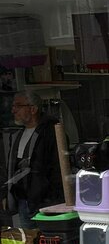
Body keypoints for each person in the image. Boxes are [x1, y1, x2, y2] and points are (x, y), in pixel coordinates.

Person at [5, 91, 64, 227]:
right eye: (13, 106)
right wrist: (6, 194)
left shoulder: (51, 132)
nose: (13, 110)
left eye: (18, 106)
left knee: (48, 237)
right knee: (29, 238)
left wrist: (52, 198)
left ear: (33, 109)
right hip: (23, 201)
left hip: (45, 202)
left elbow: (58, 168)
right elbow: (13, 168)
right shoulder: (17, 135)